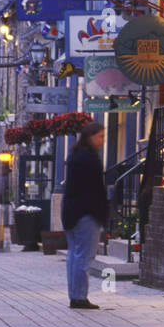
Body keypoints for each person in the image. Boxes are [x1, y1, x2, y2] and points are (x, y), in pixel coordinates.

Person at [62, 122, 108, 310]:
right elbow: (95, 189)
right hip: (86, 212)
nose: (102, 141)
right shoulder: (89, 158)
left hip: (71, 211)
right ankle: (80, 297)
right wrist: (102, 211)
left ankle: (75, 294)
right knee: (84, 256)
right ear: (90, 137)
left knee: (74, 255)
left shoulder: (74, 155)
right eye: (100, 136)